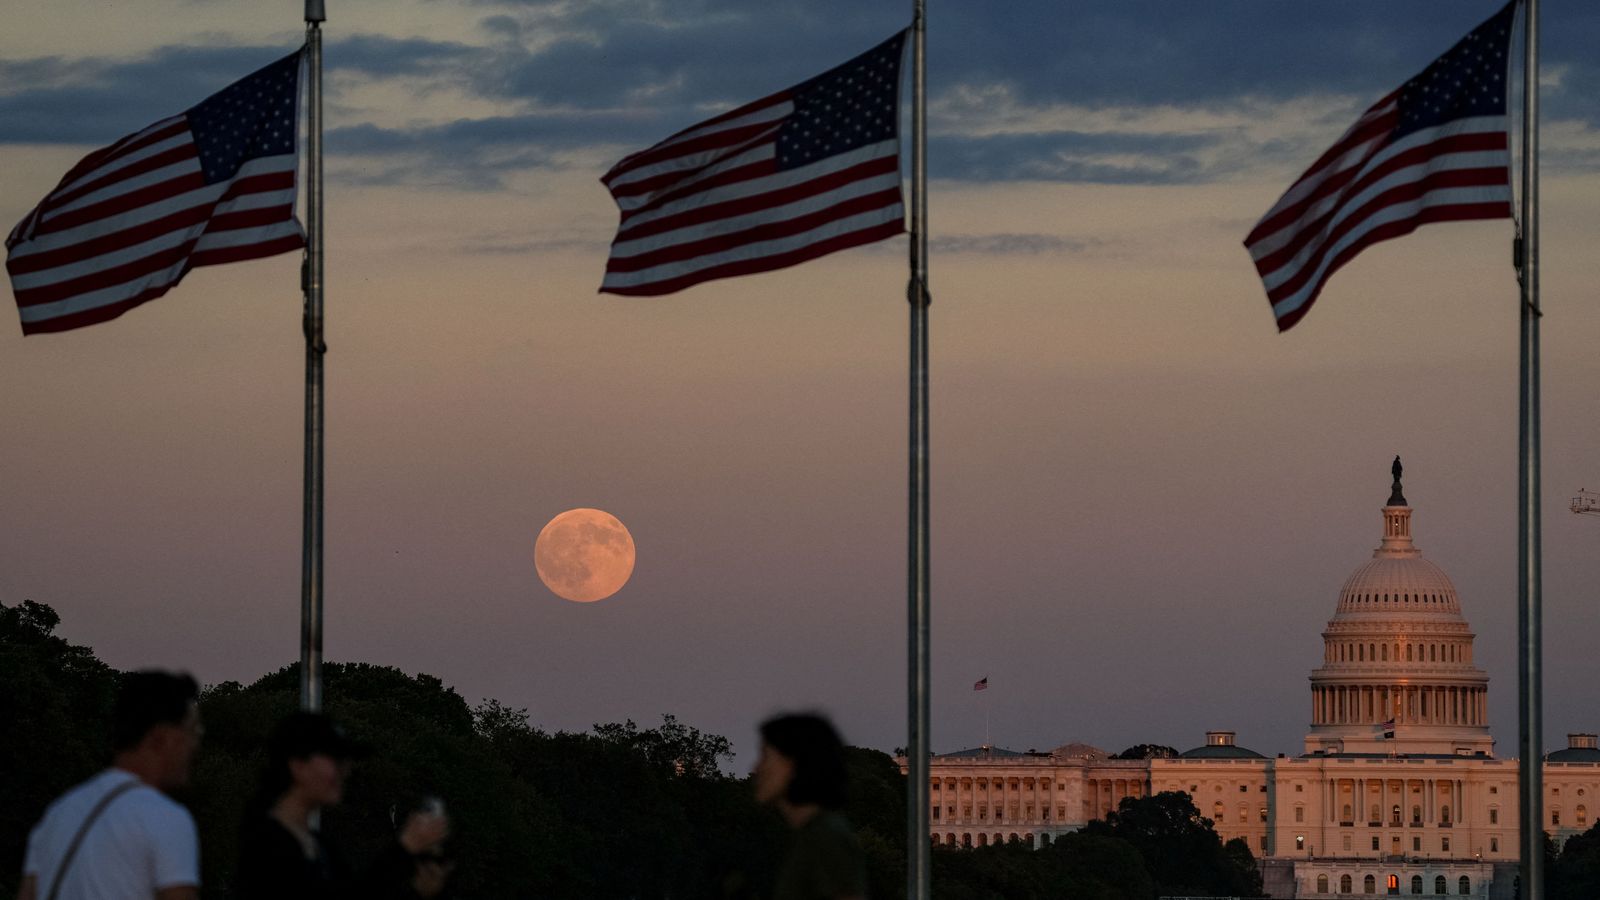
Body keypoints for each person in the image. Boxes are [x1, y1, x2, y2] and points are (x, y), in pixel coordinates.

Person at [18, 670, 204, 900]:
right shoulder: (165, 818)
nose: (194, 745)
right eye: (192, 731)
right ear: (161, 738)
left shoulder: (58, 813)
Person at [234, 711, 452, 900]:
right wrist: (404, 849)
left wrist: (420, 893)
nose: (345, 771)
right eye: (336, 760)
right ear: (298, 766)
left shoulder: (320, 846)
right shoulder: (265, 844)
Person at [753, 713, 867, 900]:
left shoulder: (825, 838)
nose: (757, 768)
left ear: (793, 764)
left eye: (766, 756)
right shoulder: (810, 834)